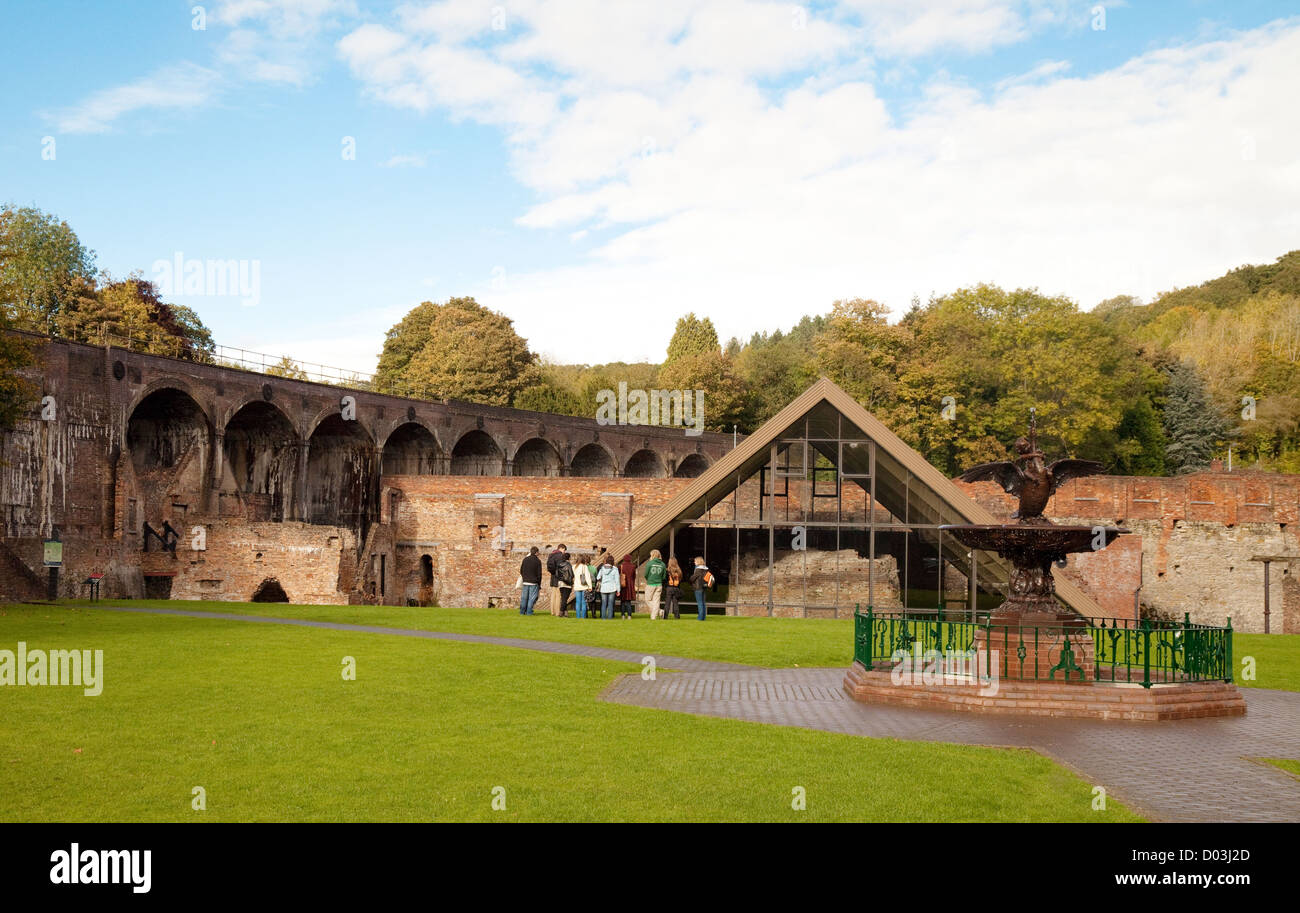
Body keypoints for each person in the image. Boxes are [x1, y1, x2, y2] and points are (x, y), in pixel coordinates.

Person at [643, 549, 667, 620]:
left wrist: (650, 579)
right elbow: (664, 576)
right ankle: (655, 615)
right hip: (659, 584)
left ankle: (658, 612)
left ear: (652, 555)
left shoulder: (649, 563)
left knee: (647, 600)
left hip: (650, 584)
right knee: (656, 601)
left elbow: (646, 574)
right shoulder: (663, 564)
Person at [595, 555, 620, 620]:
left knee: (603, 603)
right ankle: (609, 618)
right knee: (610, 604)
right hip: (612, 588)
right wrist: (618, 590)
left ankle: (603, 618)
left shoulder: (602, 568)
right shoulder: (615, 569)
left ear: (606, 561)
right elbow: (617, 580)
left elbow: (598, 577)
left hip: (603, 588)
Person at [546, 544, 568, 616]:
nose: (564, 552)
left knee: (553, 595)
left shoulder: (551, 554)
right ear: (561, 548)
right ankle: (557, 612)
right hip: (558, 577)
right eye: (564, 550)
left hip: (552, 576)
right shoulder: (560, 555)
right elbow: (561, 567)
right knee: (558, 595)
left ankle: (552, 611)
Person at [519, 546, 542, 615]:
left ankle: (522, 612)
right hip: (534, 582)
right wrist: (539, 583)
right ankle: (529, 612)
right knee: (531, 598)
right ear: (536, 552)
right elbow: (539, 574)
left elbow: (521, 570)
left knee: (524, 598)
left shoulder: (525, 559)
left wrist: (524, 577)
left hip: (525, 581)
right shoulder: (538, 561)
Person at [572, 554, 592, 619]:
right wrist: (590, 586)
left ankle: (578, 617)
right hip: (584, 586)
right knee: (583, 602)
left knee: (577, 602)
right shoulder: (584, 566)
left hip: (577, 586)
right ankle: (583, 617)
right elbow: (588, 577)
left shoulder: (574, 566)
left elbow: (572, 577)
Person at [690, 556, 710, 621]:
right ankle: (703, 617)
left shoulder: (698, 569)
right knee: (703, 602)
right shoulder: (706, 569)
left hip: (698, 587)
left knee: (700, 603)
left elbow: (693, 578)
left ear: (698, 562)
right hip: (704, 587)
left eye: (695, 561)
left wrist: (690, 579)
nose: (694, 562)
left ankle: (700, 618)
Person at [557, 549, 574, 617]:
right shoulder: (568, 564)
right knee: (565, 598)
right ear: (569, 558)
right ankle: (561, 612)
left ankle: (565, 613)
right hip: (567, 583)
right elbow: (571, 574)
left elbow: (557, 574)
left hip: (561, 583)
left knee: (563, 598)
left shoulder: (559, 564)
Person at [619, 554, 637, 619]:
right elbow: (634, 576)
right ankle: (629, 615)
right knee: (628, 601)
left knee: (623, 601)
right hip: (630, 585)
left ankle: (623, 615)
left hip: (623, 585)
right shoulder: (633, 566)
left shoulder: (621, 566)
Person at [664, 556, 683, 620]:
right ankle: (677, 616)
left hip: (669, 588)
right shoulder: (679, 571)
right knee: (675, 603)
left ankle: (665, 616)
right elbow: (680, 580)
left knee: (667, 603)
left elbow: (665, 580)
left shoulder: (667, 570)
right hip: (676, 588)